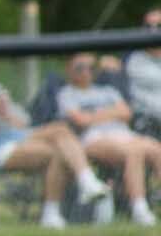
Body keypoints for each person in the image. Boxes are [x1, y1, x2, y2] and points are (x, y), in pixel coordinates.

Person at [0, 57, 113, 230]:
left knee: (60, 129)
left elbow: (25, 122)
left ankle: (84, 184)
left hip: (19, 135)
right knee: (59, 152)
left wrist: (5, 114)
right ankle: (59, 206)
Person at [57, 52, 160, 225]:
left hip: (123, 134)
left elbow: (126, 113)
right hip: (93, 138)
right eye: (80, 68)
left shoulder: (107, 91)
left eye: (91, 67)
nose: (86, 72)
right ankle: (140, 209)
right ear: (69, 70)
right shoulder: (67, 94)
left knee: (156, 148)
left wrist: (94, 115)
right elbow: (81, 121)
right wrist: (111, 113)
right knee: (133, 152)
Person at [126, 7, 161, 137]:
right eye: (148, 26)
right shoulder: (134, 60)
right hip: (149, 124)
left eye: (159, 25)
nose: (154, 30)